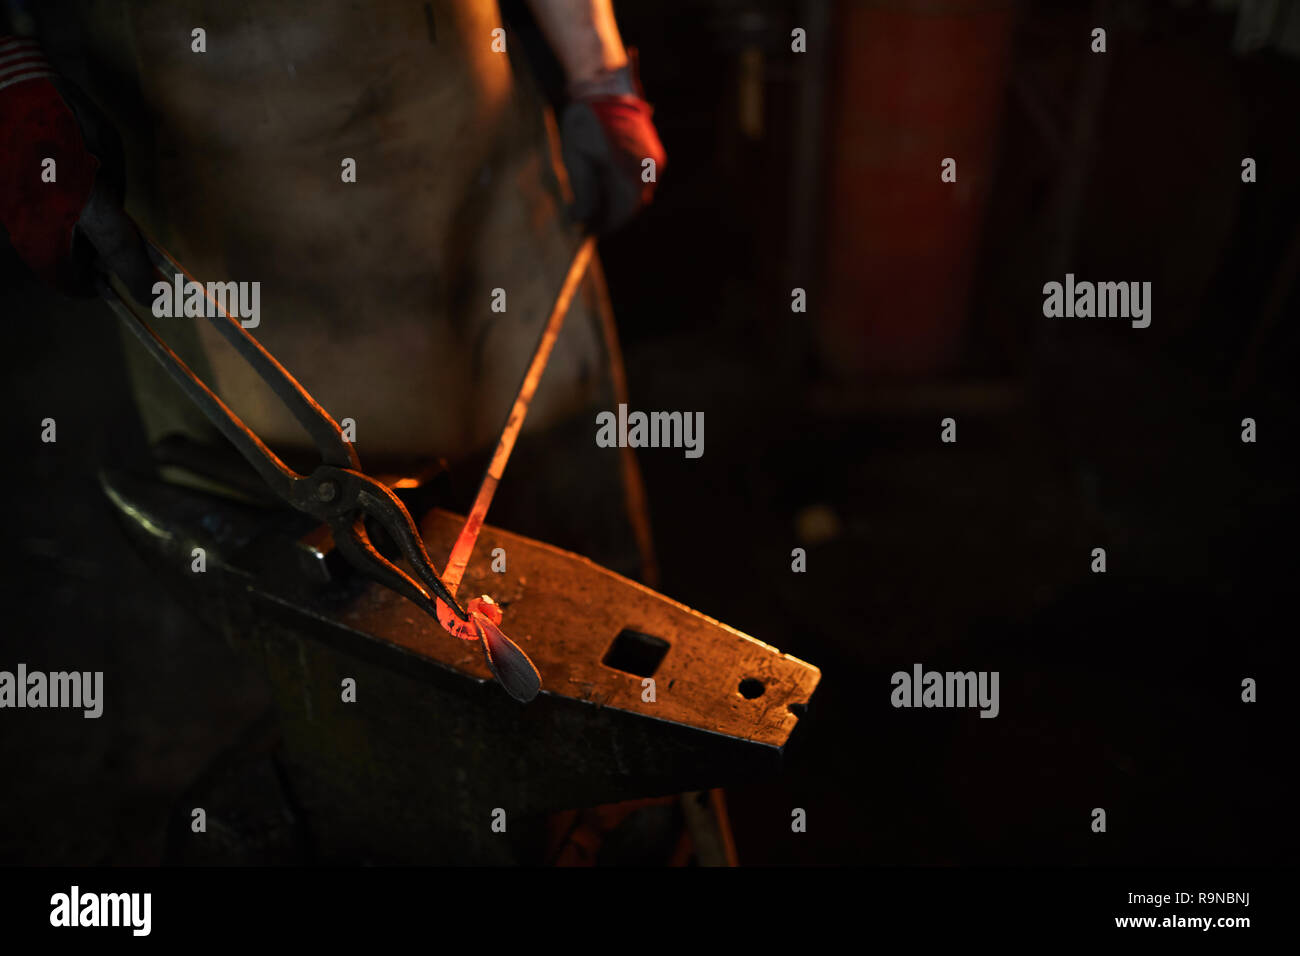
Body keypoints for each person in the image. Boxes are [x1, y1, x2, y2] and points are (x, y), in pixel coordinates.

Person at [1, 0, 665, 463]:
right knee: (327, 575)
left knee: (561, 513)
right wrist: (12, 80)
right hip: (219, 192)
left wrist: (599, 72)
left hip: (477, 141)